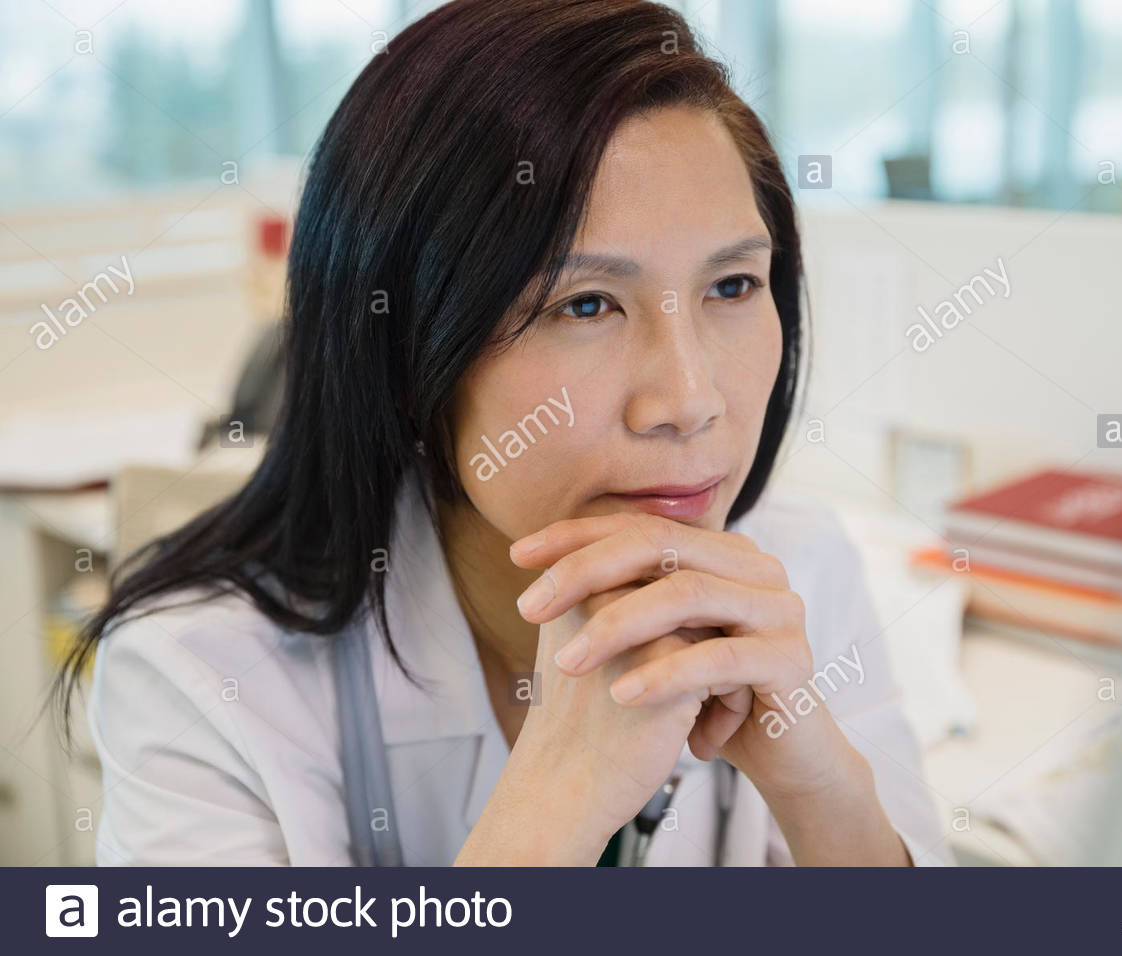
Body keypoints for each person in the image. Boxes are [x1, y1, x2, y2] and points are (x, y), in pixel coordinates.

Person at [51, 0, 954, 867]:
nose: (688, 399)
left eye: (731, 287)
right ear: (405, 357)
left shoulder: (802, 565)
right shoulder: (201, 671)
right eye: (586, 304)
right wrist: (556, 806)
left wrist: (822, 790)